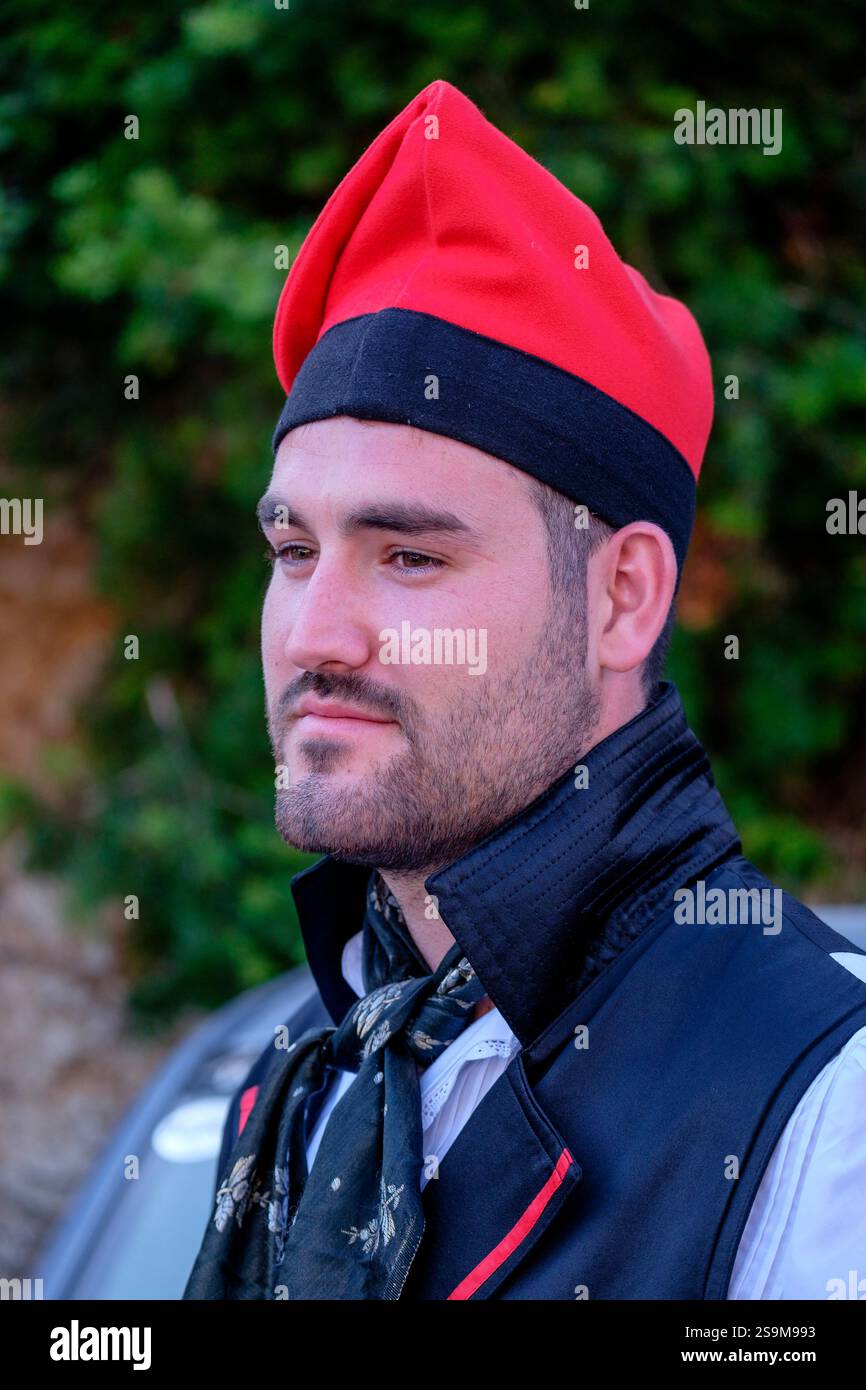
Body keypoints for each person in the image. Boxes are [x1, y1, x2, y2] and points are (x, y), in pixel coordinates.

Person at [182, 80, 866, 1301]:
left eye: (410, 556)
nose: (316, 632)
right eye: (293, 551)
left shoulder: (823, 1109)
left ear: (619, 598)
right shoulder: (305, 1074)